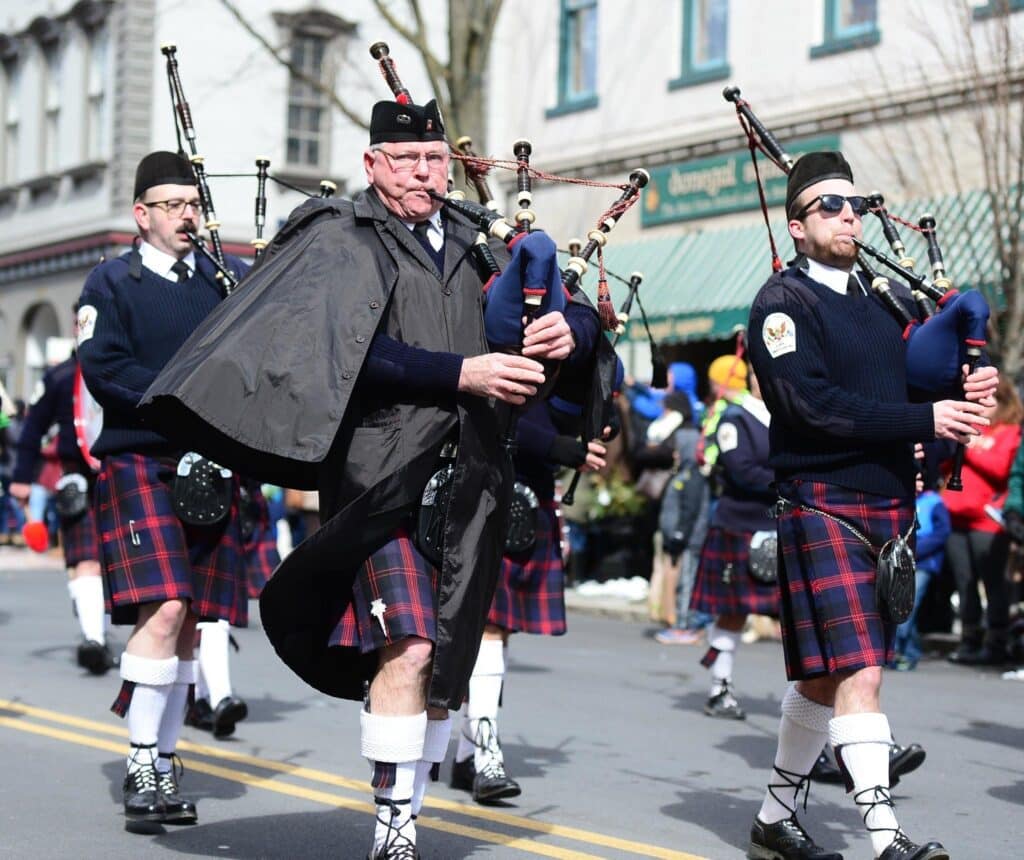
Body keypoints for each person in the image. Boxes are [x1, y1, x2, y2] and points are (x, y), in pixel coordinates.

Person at [140, 98, 574, 859]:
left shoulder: (480, 241)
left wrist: (567, 332)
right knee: (406, 645)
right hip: (382, 473)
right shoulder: (338, 237)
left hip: (475, 474)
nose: (424, 174)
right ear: (372, 164)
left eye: (436, 160)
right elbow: (336, 355)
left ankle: (406, 796)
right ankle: (396, 830)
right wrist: (459, 372)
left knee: (448, 652)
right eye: (406, 161)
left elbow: (554, 322)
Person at [745, 151, 997, 860]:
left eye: (854, 203)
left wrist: (958, 393)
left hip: (886, 504)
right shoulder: (781, 304)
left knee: (827, 676)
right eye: (829, 205)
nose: (849, 214)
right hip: (820, 500)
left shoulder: (884, 303)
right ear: (797, 226)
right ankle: (887, 837)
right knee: (862, 669)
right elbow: (810, 405)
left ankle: (772, 818)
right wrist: (925, 420)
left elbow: (903, 395)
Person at [76, 151, 250, 832]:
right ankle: (142, 758)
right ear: (141, 214)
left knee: (192, 617)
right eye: (172, 205)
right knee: (167, 604)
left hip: (209, 464)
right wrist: (175, 405)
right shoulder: (109, 283)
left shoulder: (221, 282)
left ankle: (167, 756)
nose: (187, 215)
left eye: (194, 204)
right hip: (142, 458)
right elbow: (102, 369)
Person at [450, 379, 608, 803]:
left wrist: (595, 407)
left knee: (500, 633)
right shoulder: (500, 328)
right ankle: (484, 754)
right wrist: (557, 446)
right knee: (491, 627)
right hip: (489, 491)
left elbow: (553, 412)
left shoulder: (559, 350)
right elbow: (494, 413)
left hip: (529, 500)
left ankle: (467, 755)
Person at [8, 335, 113, 674]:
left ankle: (86, 605)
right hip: (76, 479)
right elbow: (32, 430)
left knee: (100, 567)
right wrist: (21, 477)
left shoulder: (119, 368)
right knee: (86, 561)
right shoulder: (60, 378)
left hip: (120, 474)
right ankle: (93, 639)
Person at [689, 368, 777, 719]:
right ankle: (719, 686)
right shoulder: (734, 418)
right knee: (732, 612)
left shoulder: (791, 419)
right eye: (760, 374)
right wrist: (792, 479)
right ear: (752, 377)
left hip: (781, 527)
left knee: (797, 617)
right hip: (738, 525)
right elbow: (743, 471)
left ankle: (805, 701)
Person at [943, 376, 1022, 666]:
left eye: (987, 401)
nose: (980, 406)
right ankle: (969, 640)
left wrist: (972, 446)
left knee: (993, 584)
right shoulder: (970, 428)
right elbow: (944, 463)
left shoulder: (1009, 432)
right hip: (955, 517)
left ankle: (996, 642)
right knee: (964, 583)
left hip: (987, 522)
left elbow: (1002, 468)